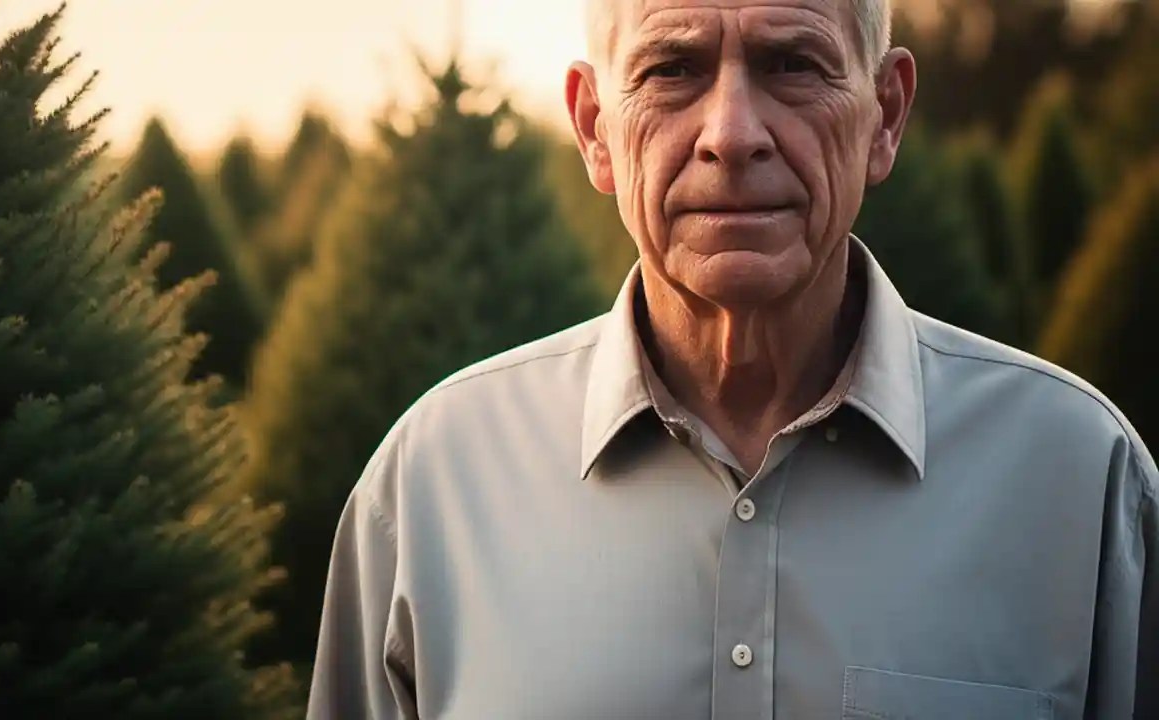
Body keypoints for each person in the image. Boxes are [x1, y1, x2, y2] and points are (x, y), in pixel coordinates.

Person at [305, 0, 1158, 717]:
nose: (732, 133)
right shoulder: (430, 487)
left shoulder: (1080, 480)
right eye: (672, 71)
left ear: (886, 115)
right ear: (595, 126)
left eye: (792, 64)